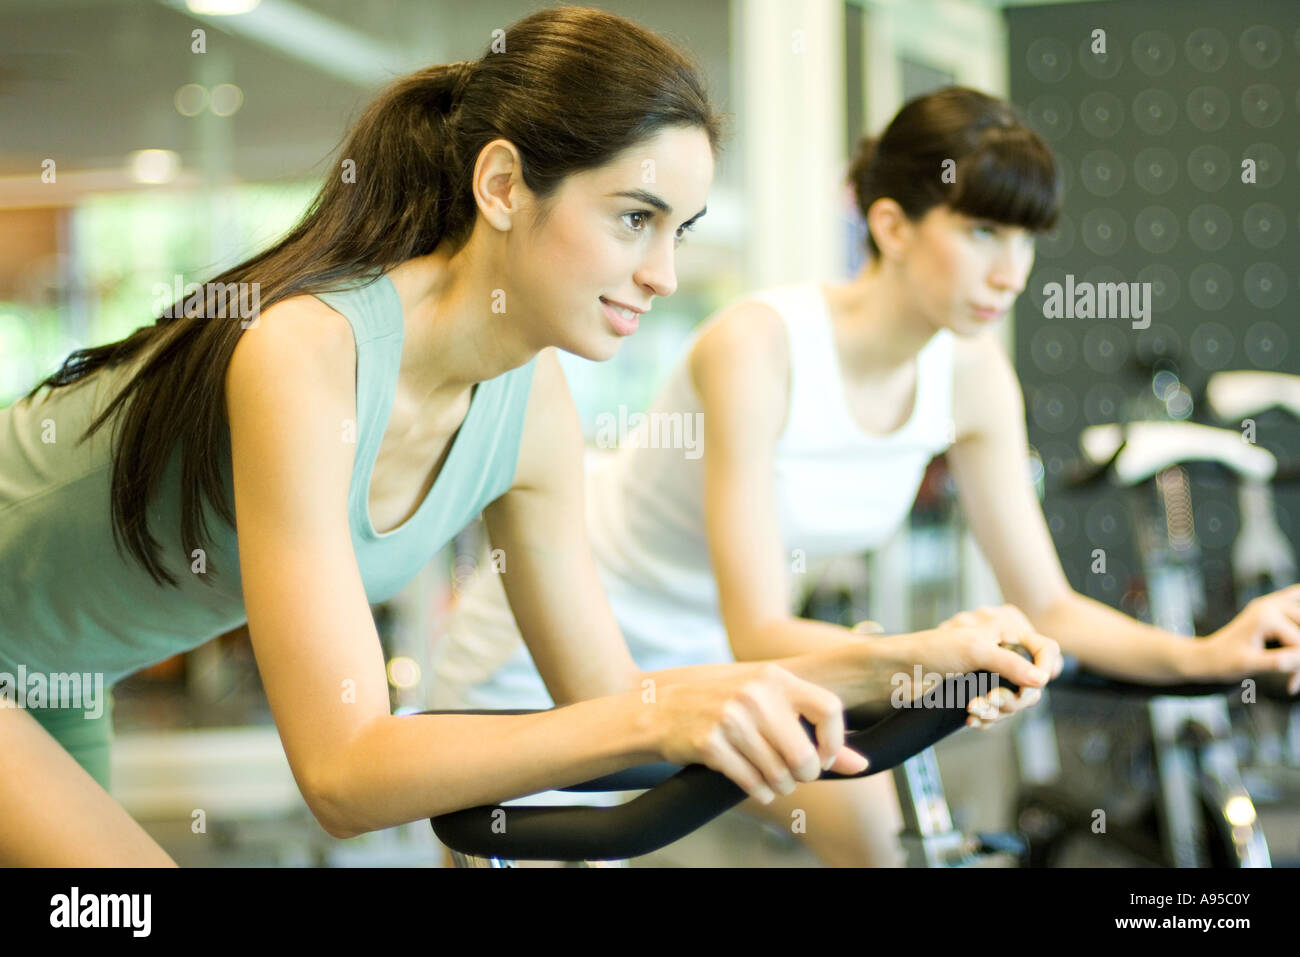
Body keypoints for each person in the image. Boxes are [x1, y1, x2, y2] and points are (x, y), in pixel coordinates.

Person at [0, 13, 1059, 868]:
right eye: (633, 218)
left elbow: (601, 699)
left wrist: (907, 669)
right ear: (503, 186)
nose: (663, 275)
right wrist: (673, 709)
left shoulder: (532, 405)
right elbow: (342, 772)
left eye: (678, 232)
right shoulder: (308, 353)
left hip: (61, 672)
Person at [430, 86, 1300, 867]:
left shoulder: (974, 377)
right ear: (890, 226)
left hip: (715, 671)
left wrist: (1207, 653)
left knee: (878, 841)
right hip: (556, 643)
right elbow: (759, 625)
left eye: (1028, 240)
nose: (1012, 272)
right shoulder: (759, 346)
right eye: (982, 230)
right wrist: (919, 656)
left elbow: (1048, 604)